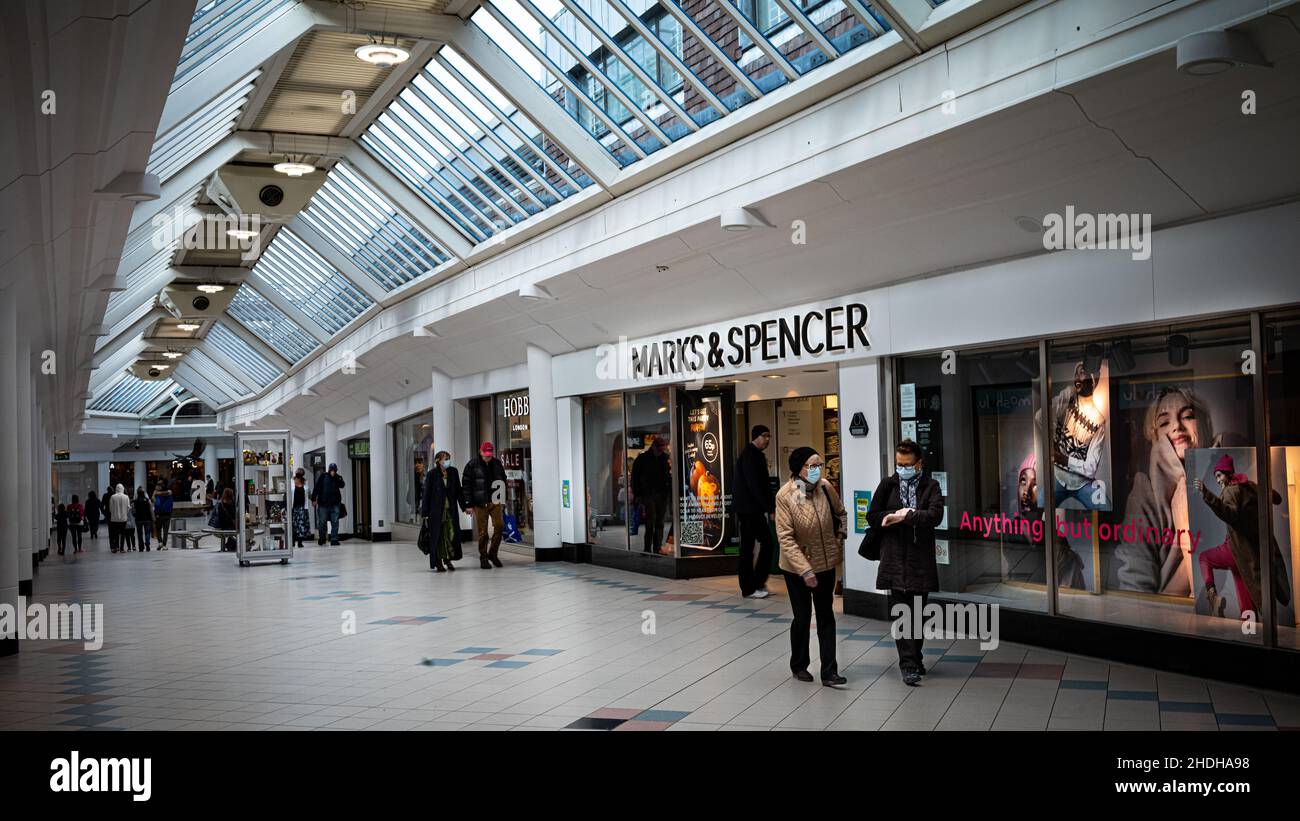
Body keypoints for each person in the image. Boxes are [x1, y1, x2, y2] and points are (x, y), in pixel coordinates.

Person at [1117, 386, 1214, 596]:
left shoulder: (1226, 475)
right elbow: (1137, 602)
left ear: (1205, 425)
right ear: (1153, 436)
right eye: (1164, 422)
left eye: (1187, 416)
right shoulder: (1143, 495)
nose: (1177, 426)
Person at [868, 439, 945, 687]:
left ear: (919, 463)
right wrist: (890, 517)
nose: (902, 469)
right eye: (899, 464)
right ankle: (908, 665)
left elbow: (935, 515)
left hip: (920, 559)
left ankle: (916, 657)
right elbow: (872, 514)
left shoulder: (931, 486)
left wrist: (908, 515)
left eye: (907, 464)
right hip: (894, 558)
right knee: (903, 615)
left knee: (919, 615)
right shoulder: (887, 485)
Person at [776, 446, 847, 687]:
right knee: (803, 615)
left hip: (826, 563)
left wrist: (839, 537)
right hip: (796, 569)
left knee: (826, 615)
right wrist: (804, 569)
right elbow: (785, 538)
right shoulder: (786, 496)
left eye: (820, 465)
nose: (817, 470)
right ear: (799, 469)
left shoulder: (825, 487)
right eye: (812, 466)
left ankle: (829, 671)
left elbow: (841, 513)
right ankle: (799, 665)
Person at [1193, 454, 1292, 620]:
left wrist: (1206, 493)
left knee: (1204, 558)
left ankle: (1212, 595)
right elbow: (1277, 498)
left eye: (1219, 475)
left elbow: (1229, 514)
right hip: (1247, 554)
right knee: (1246, 600)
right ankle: (1250, 631)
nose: (1218, 481)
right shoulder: (1249, 487)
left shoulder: (1230, 491)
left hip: (1235, 549)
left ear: (1227, 473)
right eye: (1216, 477)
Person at [1049, 361, 1109, 508]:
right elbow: (1040, 417)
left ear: (1092, 379)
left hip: (1081, 483)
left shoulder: (1099, 421)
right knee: (1039, 511)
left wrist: (1064, 459)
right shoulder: (1066, 399)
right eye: (1076, 374)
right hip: (1057, 477)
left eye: (1081, 373)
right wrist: (1052, 440)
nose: (1077, 378)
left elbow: (1090, 468)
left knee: (1106, 507)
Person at [735, 424, 776, 599]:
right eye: (764, 436)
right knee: (753, 547)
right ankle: (750, 587)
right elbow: (756, 485)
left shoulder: (754, 455)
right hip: (749, 509)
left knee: (759, 545)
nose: (767, 439)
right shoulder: (750, 456)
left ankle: (756, 583)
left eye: (769, 436)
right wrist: (770, 508)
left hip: (752, 509)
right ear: (755, 437)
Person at [461, 442, 508, 569]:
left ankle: (493, 553)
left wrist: (503, 499)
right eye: (485, 454)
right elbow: (466, 486)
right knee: (483, 532)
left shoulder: (497, 463)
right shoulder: (472, 465)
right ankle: (483, 558)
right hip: (480, 503)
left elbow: (503, 480)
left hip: (495, 500)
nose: (487, 457)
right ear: (480, 452)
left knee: (499, 526)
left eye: (489, 454)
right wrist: (468, 504)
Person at [422, 451, 463, 572]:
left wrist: (464, 506)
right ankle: (439, 561)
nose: (447, 461)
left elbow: (458, 491)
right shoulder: (432, 474)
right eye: (445, 459)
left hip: (450, 510)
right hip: (436, 512)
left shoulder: (453, 472)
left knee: (451, 534)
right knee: (438, 537)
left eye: (448, 458)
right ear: (438, 461)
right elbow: (427, 494)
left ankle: (448, 558)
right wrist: (425, 513)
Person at [631, 435, 671, 554]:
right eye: (659, 449)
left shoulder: (663, 458)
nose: (661, 451)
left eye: (662, 449)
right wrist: (638, 494)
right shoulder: (643, 459)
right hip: (649, 494)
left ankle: (655, 547)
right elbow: (635, 478)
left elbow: (668, 477)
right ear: (653, 447)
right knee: (652, 521)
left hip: (660, 494)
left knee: (658, 521)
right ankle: (650, 548)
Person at [310, 463, 345, 546]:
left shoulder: (338, 477)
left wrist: (338, 478)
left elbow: (342, 485)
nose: (333, 472)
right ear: (329, 470)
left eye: (334, 470)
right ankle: (322, 538)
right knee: (322, 522)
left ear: (336, 471)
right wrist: (313, 499)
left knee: (335, 522)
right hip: (323, 504)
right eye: (331, 470)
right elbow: (317, 487)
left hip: (335, 504)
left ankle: (334, 539)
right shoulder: (323, 476)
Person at [108, 483, 130, 553]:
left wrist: (114, 514)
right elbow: (128, 507)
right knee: (123, 534)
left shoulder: (112, 497)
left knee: (115, 534)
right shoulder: (126, 497)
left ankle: (116, 547)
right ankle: (122, 548)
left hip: (114, 519)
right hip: (123, 519)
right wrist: (125, 514)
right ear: (122, 489)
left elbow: (110, 508)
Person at [216, 487, 238, 551]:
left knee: (235, 528)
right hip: (228, 525)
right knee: (236, 529)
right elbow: (234, 515)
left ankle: (230, 544)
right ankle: (230, 545)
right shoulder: (231, 503)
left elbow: (220, 517)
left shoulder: (221, 504)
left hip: (223, 525)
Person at [291, 473, 309, 548]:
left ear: (299, 479)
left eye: (296, 479)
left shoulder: (305, 487)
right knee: (294, 525)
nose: (295, 480)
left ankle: (300, 542)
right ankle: (293, 541)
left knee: (301, 525)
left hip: (302, 508)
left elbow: (308, 494)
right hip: (293, 508)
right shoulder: (292, 486)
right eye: (295, 479)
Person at [153, 482, 173, 549]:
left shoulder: (158, 496)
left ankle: (160, 542)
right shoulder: (169, 495)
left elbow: (157, 505)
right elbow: (171, 505)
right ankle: (164, 545)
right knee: (165, 531)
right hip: (167, 515)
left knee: (158, 530)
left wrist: (156, 513)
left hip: (159, 515)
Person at [133, 487, 153, 552]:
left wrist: (135, 515)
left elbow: (133, 510)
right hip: (147, 519)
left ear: (137, 493)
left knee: (139, 534)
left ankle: (141, 547)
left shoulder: (135, 501)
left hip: (138, 519)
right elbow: (151, 509)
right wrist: (153, 518)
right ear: (144, 493)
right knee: (147, 533)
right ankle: (147, 544)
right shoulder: (147, 500)